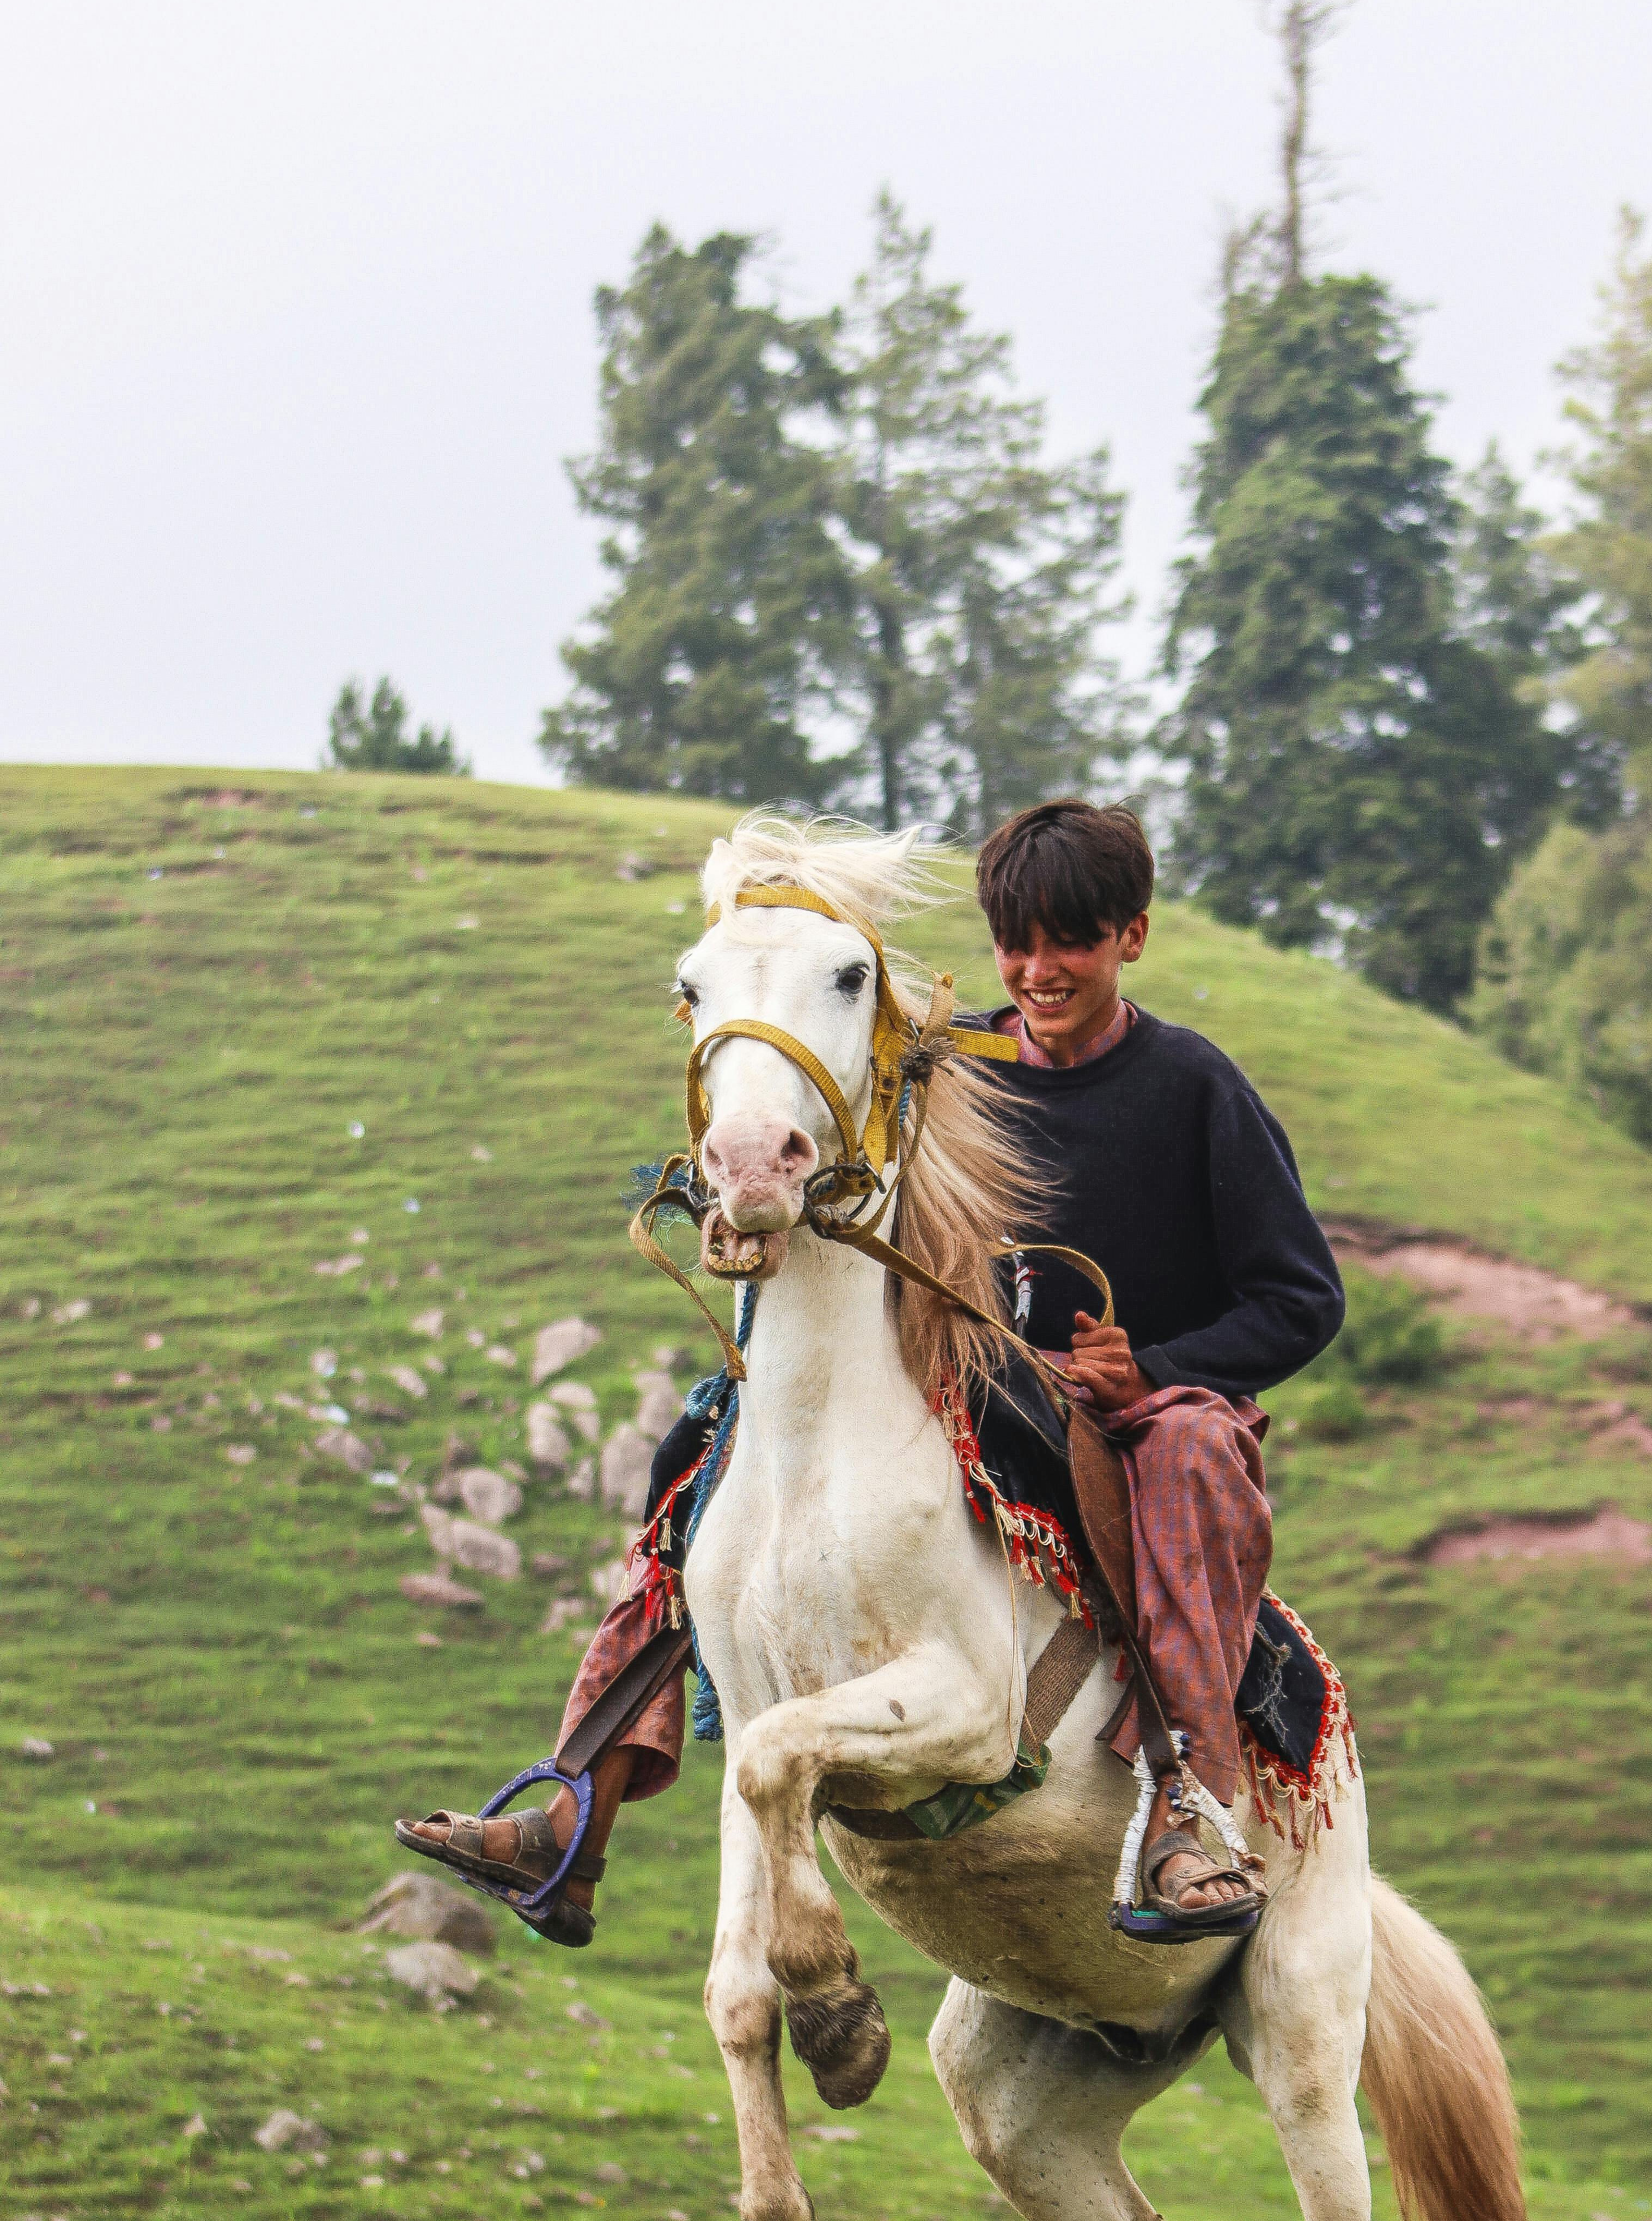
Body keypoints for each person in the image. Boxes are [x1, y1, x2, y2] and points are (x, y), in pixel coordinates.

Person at [395, 800, 1344, 1944]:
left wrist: (1152, 1368)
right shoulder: (949, 1058)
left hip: (1132, 1403)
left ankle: (1188, 1799)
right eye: (1018, 945)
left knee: (1195, 1448)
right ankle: (582, 1799)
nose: (1039, 973)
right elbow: (830, 1117)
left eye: (1072, 945)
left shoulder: (1193, 1085)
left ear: (1129, 939)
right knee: (703, 1442)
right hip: (967, 1366)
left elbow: (1302, 1300)